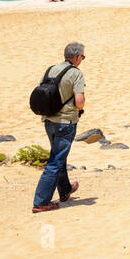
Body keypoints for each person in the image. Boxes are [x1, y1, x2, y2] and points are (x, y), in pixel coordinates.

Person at [32, 42, 87, 213]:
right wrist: (79, 107)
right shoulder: (76, 74)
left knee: (58, 156)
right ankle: (41, 202)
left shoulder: (50, 70)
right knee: (55, 161)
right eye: (83, 57)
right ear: (77, 57)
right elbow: (79, 102)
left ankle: (64, 190)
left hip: (48, 120)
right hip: (66, 123)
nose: (82, 60)